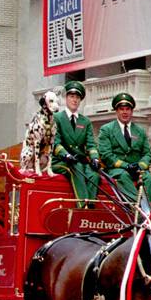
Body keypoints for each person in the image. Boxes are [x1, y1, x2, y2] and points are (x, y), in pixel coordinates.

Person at [97, 92, 151, 215]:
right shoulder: (106, 130)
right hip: (117, 170)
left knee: (149, 178)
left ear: (132, 111)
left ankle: (147, 209)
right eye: (121, 109)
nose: (125, 112)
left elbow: (147, 154)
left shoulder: (139, 131)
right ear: (116, 111)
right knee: (123, 176)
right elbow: (106, 154)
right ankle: (137, 209)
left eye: (127, 109)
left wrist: (140, 166)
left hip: (137, 169)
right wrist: (126, 166)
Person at [52, 80, 101, 209]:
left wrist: (95, 158)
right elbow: (55, 142)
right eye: (71, 96)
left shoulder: (85, 122)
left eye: (77, 97)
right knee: (76, 167)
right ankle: (82, 205)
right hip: (60, 161)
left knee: (94, 175)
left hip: (80, 161)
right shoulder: (56, 118)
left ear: (80, 100)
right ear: (66, 98)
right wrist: (65, 155)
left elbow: (91, 144)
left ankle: (90, 207)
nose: (74, 100)